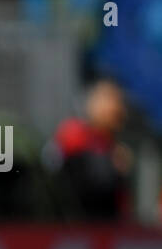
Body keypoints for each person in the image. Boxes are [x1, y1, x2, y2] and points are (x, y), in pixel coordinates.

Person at [44, 79, 133, 221]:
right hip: (79, 226)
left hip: (109, 229)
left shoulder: (114, 147)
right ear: (93, 103)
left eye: (120, 102)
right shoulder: (74, 136)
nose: (118, 108)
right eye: (110, 100)